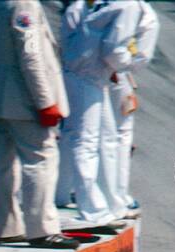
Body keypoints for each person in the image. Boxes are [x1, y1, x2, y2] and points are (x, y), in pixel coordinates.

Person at [0, 0, 80, 248]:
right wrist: (45, 101)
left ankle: (5, 226)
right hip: (24, 98)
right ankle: (42, 229)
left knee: (4, 163)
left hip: (2, 95)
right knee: (41, 159)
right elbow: (30, 55)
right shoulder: (24, 4)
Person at [59, 0, 134, 226]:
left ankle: (68, 195)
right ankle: (93, 208)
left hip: (94, 80)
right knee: (85, 143)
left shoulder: (97, 8)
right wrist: (128, 62)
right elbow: (106, 51)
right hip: (84, 80)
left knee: (102, 138)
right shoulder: (79, 10)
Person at [110, 0, 157, 212]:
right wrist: (123, 70)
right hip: (116, 75)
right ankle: (118, 195)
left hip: (90, 72)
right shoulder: (142, 14)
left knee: (89, 135)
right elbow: (140, 58)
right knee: (121, 135)